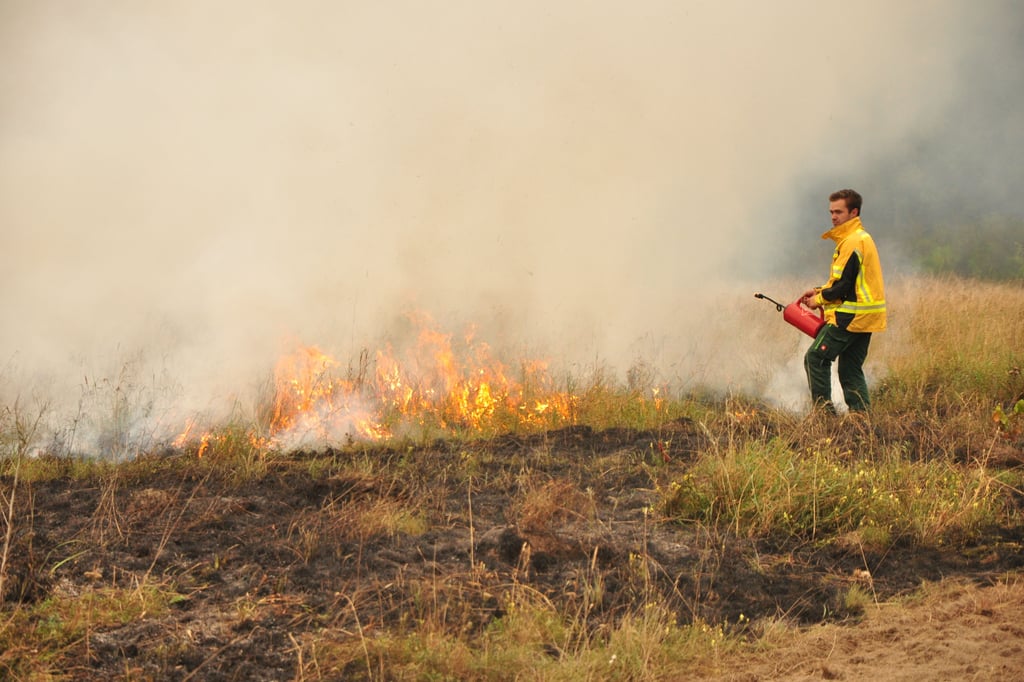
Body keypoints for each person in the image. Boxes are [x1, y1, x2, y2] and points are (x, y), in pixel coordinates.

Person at [800, 189, 886, 413]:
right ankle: (862, 420)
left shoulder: (852, 242)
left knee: (815, 358)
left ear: (853, 212)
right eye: (831, 212)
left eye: (838, 211)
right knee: (850, 369)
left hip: (850, 315)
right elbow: (845, 281)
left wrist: (818, 299)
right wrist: (819, 290)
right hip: (866, 317)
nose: (833, 217)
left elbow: (843, 286)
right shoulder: (861, 238)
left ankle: (824, 416)